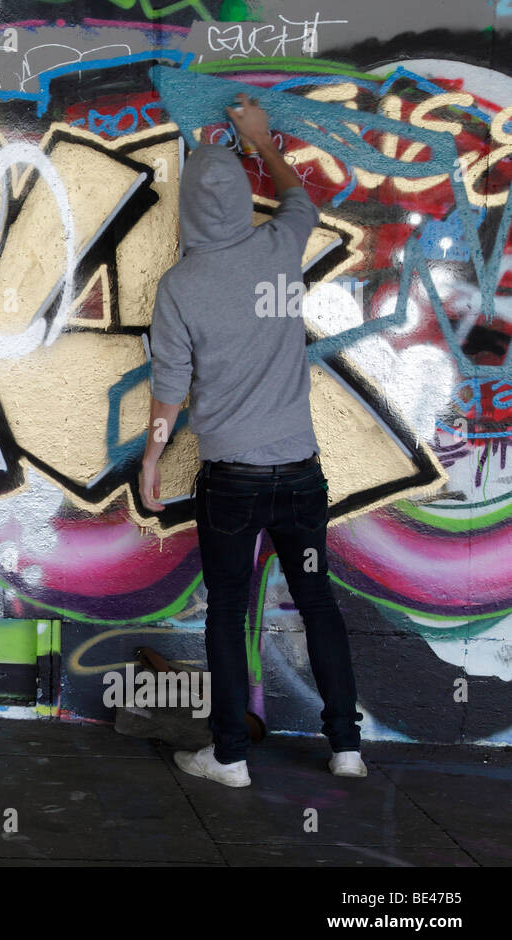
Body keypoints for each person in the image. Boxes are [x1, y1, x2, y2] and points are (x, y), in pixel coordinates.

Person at [138, 93, 366, 788]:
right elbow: (299, 198)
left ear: (187, 212)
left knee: (230, 609)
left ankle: (230, 756)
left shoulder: (181, 286)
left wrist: (152, 457)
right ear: (241, 201)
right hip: (300, 475)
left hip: (231, 479)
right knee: (317, 599)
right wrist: (263, 143)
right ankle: (347, 746)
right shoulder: (279, 244)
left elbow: (169, 391)